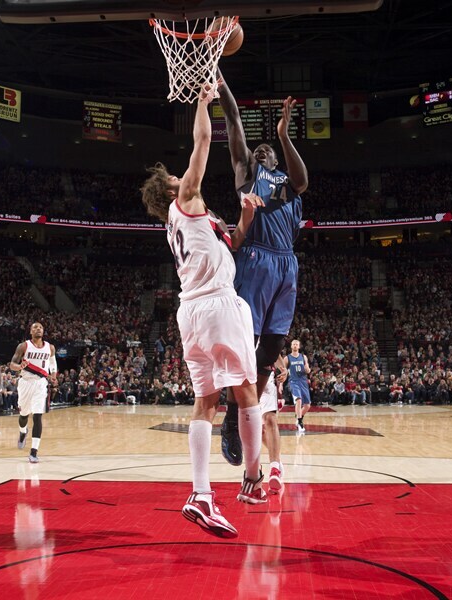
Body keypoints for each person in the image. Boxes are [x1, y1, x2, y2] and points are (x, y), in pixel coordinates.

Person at [140, 83, 266, 538]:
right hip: (216, 304)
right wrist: (203, 100)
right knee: (247, 391)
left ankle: (200, 495)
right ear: (172, 187)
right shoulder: (185, 198)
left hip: (189, 312)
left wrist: (246, 218)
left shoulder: (184, 222)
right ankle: (251, 481)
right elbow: (204, 141)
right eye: (179, 175)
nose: (184, 175)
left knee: (206, 401)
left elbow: (229, 244)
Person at [216, 69, 309, 466]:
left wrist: (284, 135)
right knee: (244, 343)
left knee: (271, 350)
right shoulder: (246, 175)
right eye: (259, 150)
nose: (260, 151)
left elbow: (302, 181)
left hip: (287, 264)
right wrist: (220, 81)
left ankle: (243, 409)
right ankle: (233, 415)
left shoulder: (288, 188)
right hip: (255, 258)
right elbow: (234, 121)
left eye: (267, 151)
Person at [9, 322, 57, 464]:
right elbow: (12, 364)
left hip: (40, 384)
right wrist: (19, 366)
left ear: (43, 331)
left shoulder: (50, 347)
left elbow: (53, 365)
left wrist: (53, 375)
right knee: (23, 415)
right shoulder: (23, 346)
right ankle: (23, 432)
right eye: (35, 327)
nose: (38, 329)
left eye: (41, 327)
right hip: (25, 382)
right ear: (31, 331)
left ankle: (34, 452)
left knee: (37, 416)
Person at [259, 365, 286, 493]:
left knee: (270, 419)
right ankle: (256, 470)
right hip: (246, 378)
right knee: (257, 430)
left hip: (266, 378)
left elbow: (275, 347)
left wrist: (284, 369)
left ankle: (275, 469)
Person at [286, 339, 312, 432]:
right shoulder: (287, 358)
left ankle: (298, 416)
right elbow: (284, 372)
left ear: (299, 346)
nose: (295, 346)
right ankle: (300, 423)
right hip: (293, 381)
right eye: (294, 344)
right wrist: (281, 385)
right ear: (291, 346)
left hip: (303, 381)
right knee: (299, 400)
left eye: (297, 344)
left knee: (308, 405)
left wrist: (307, 369)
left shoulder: (303, 357)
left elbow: (308, 370)